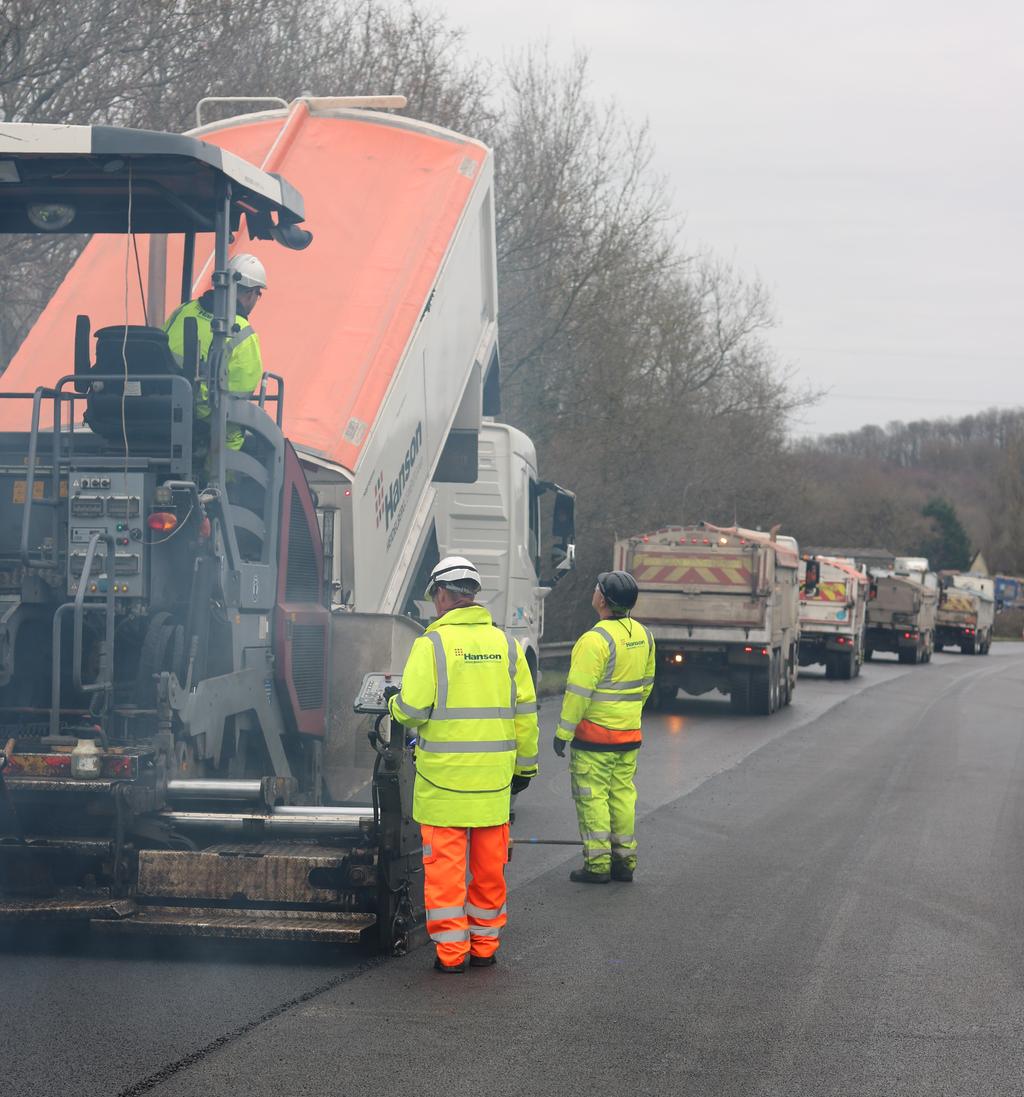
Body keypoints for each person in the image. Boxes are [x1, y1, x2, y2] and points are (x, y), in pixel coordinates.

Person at [388, 556, 539, 973]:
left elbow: (413, 709)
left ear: (441, 595)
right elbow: (525, 714)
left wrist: (392, 706)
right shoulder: (507, 646)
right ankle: (485, 948)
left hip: (443, 787)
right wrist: (524, 769)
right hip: (493, 787)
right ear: (472, 597)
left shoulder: (431, 645)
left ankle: (452, 957)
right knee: (489, 871)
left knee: (446, 877)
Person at [554, 570, 655, 883]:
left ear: (602, 599)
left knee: (592, 796)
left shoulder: (594, 640)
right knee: (622, 796)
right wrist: (627, 714)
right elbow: (646, 684)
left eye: (597, 588)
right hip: (629, 735)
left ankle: (597, 865)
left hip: (595, 738)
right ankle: (624, 861)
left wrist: (563, 732)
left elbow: (578, 692)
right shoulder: (643, 635)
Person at [164, 253, 267, 451]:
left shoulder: (183, 310)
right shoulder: (243, 334)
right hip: (199, 421)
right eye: (258, 294)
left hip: (159, 407)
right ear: (250, 293)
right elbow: (235, 410)